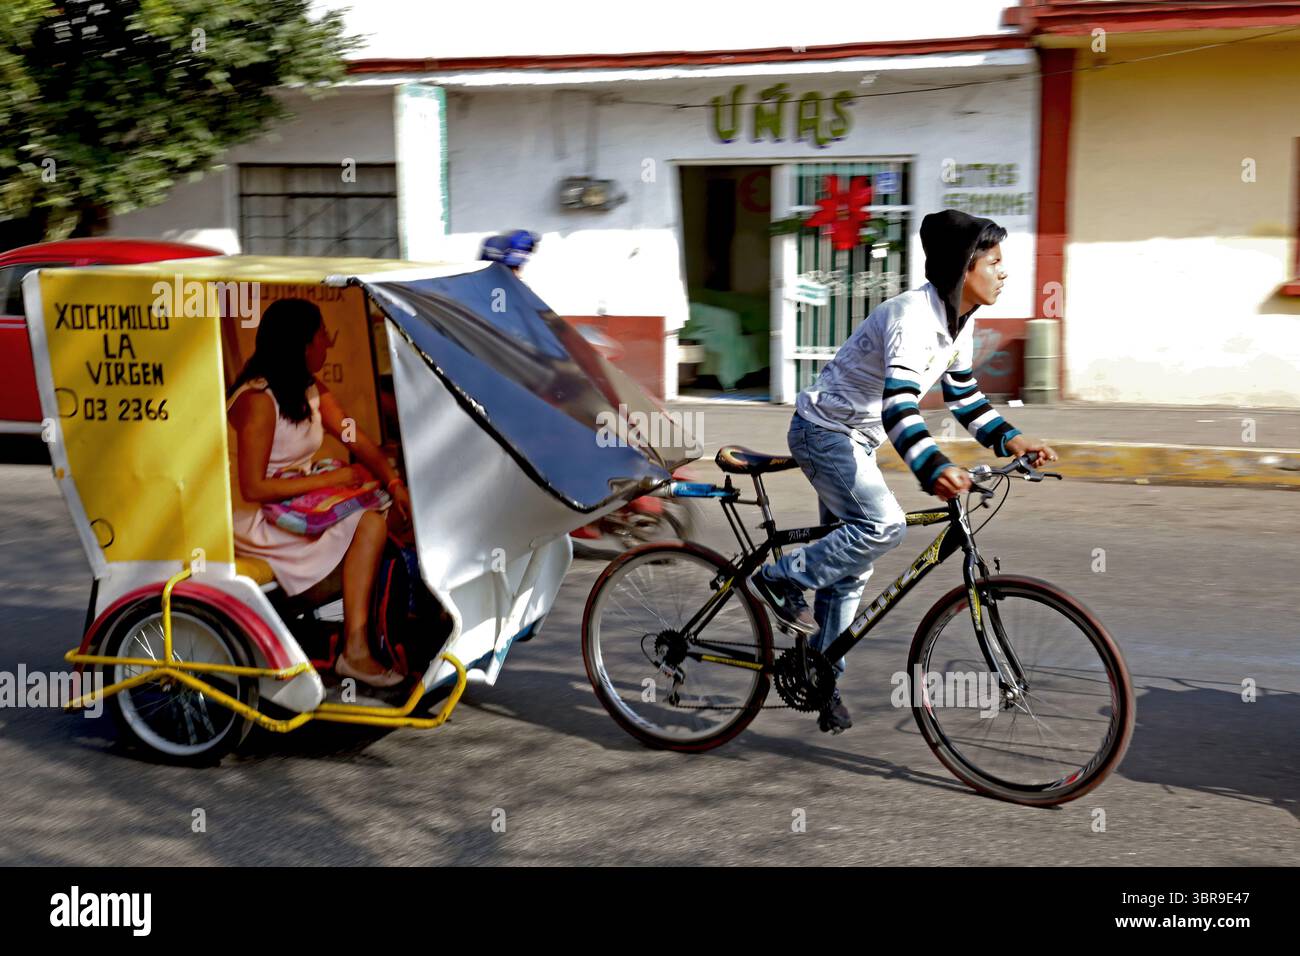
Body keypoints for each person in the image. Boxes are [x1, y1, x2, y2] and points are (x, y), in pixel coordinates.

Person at [748, 209, 1058, 733]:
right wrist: (932, 466)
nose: (1004, 273)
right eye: (995, 262)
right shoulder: (913, 318)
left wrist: (1012, 439)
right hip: (824, 431)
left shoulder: (958, 321)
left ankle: (821, 676)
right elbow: (899, 407)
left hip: (855, 438)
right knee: (881, 526)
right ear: (965, 268)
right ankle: (780, 578)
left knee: (851, 570)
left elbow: (964, 397)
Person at [226, 298, 414, 689]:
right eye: (322, 336)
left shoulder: (309, 391)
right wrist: (331, 480)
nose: (328, 343)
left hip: (294, 504)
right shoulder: (258, 401)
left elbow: (353, 437)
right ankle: (355, 650)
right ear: (303, 344)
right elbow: (254, 488)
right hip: (258, 519)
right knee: (368, 524)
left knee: (391, 512)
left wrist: (394, 483)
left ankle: (388, 632)